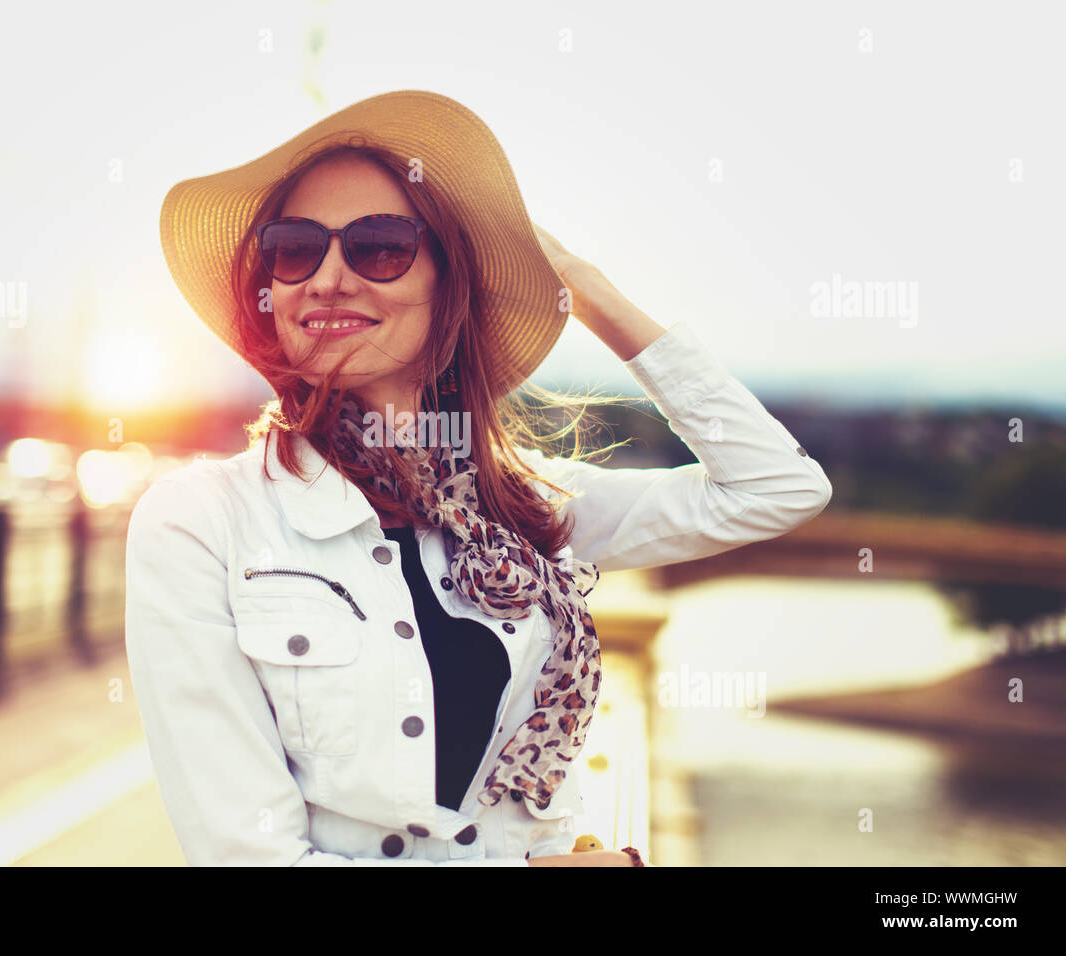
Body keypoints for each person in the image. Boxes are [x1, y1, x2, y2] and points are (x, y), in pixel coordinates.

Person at [125, 90, 833, 866]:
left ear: (447, 285)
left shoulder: (525, 510)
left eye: (381, 245)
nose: (327, 277)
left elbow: (776, 488)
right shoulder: (202, 522)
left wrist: (573, 278)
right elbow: (247, 859)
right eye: (294, 248)